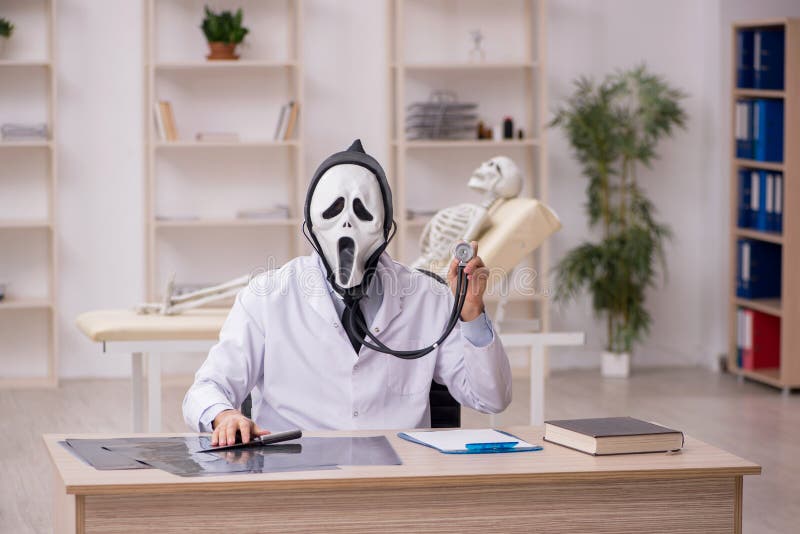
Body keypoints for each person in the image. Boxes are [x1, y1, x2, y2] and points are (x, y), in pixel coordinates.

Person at [182, 140, 512, 446]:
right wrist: (224, 415)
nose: (347, 225)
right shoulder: (267, 297)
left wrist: (471, 313)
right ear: (312, 223)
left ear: (385, 226)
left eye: (362, 211)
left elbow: (491, 398)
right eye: (334, 209)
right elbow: (207, 388)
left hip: (399, 477)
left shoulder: (427, 296)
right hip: (296, 475)